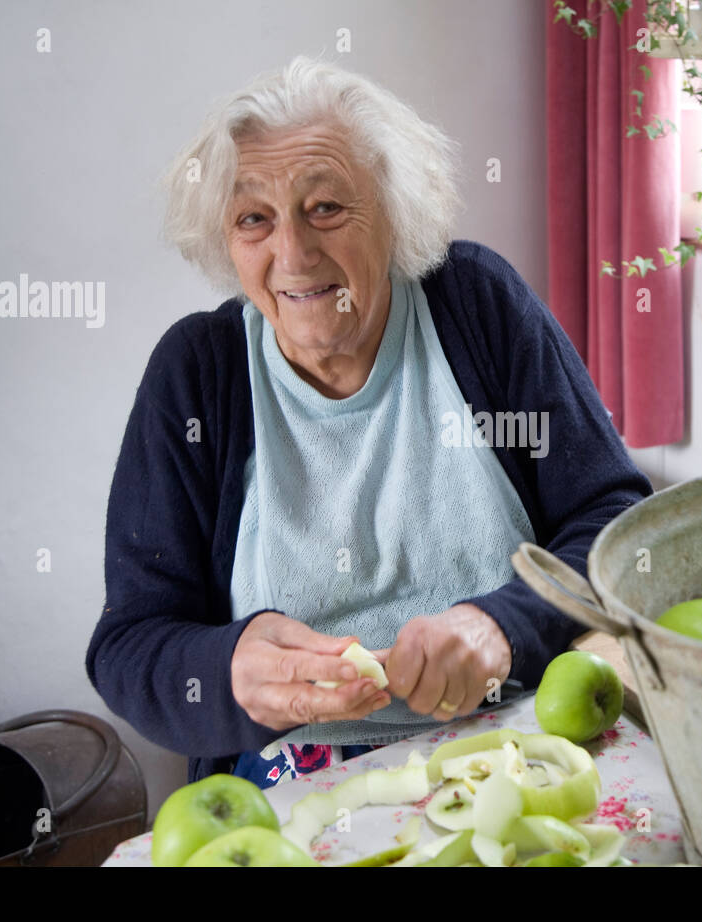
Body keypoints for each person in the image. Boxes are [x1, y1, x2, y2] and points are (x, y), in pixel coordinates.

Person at [85, 56, 651, 786]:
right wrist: (230, 669)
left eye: (325, 208)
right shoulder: (198, 373)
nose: (293, 253)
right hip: (297, 771)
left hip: (519, 731)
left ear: (393, 209)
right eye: (254, 218)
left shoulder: (477, 306)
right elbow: (129, 645)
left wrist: (501, 627)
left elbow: (614, 524)